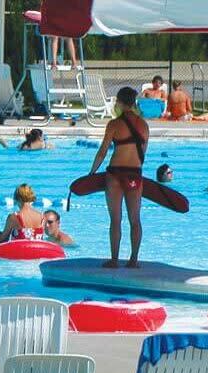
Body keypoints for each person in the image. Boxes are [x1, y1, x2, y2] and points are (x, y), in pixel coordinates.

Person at [90, 87, 149, 268]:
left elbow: (102, 152)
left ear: (120, 103)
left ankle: (114, 260)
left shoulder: (114, 124)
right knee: (135, 219)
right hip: (135, 174)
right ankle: (133, 260)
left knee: (115, 219)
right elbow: (142, 154)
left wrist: (92, 173)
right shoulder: (144, 125)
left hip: (115, 174)